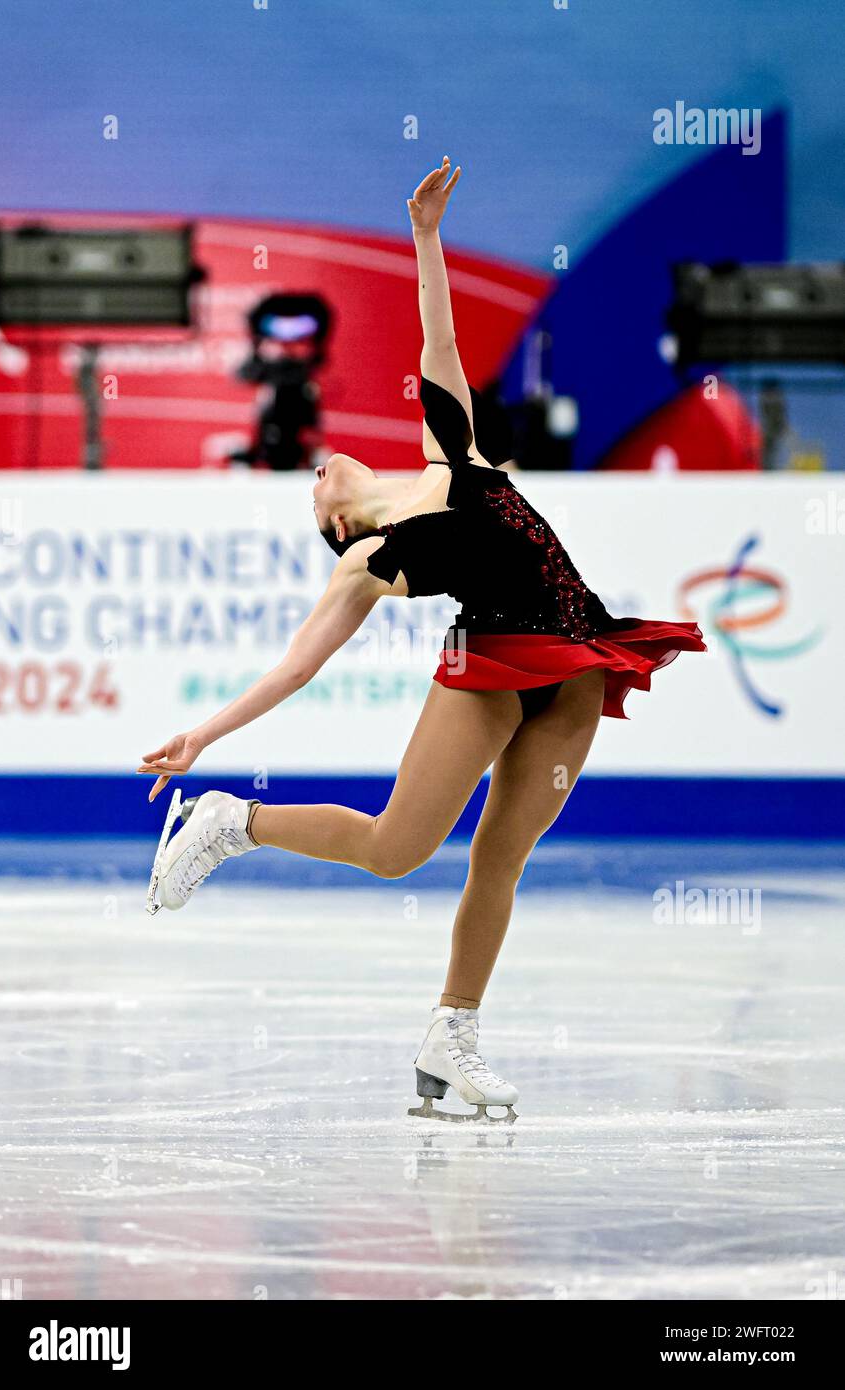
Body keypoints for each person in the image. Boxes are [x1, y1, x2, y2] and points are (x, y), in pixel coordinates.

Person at [139, 158, 704, 1123]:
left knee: (501, 858)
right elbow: (298, 666)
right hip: (490, 667)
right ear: (341, 530)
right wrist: (207, 736)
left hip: (577, 659)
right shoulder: (364, 564)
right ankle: (231, 822)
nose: (319, 471)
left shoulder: (456, 453)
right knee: (400, 848)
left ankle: (453, 1038)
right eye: (312, 492)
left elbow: (438, 341)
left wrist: (428, 236)